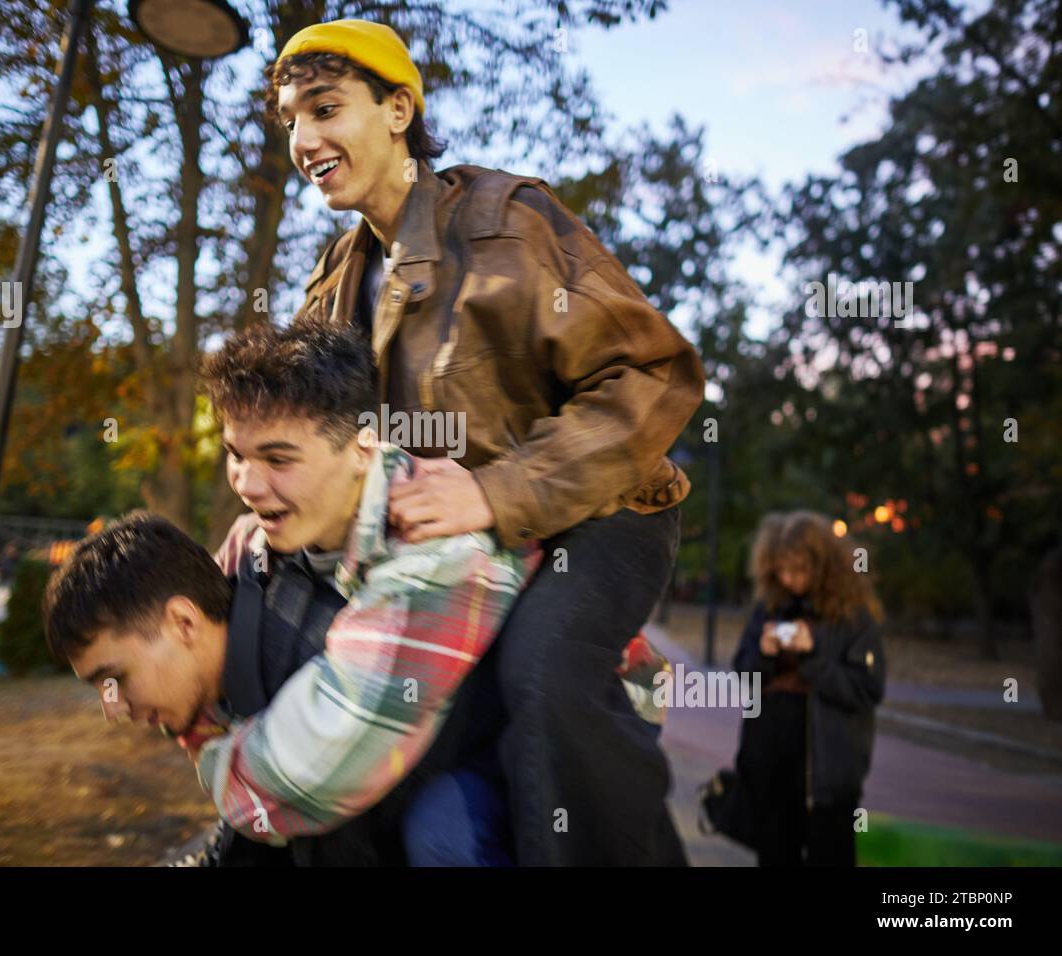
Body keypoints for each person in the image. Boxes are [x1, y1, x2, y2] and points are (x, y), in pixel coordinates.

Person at [268, 18, 704, 863]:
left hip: (598, 517)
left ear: (399, 110)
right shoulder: (334, 279)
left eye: (324, 108)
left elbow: (654, 377)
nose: (304, 138)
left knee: (541, 677)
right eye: (290, 120)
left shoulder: (510, 220)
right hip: (444, 549)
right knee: (316, 679)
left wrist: (494, 492)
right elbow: (308, 432)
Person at [45, 321, 536, 864]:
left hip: (524, 771)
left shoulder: (439, 549)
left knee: (443, 833)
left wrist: (208, 746)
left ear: (361, 447)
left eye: (279, 460)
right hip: (404, 782)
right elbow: (182, 632)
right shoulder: (263, 535)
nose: (249, 486)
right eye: (237, 455)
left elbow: (311, 775)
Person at [732, 511, 886, 866]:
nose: (790, 579)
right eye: (782, 569)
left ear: (823, 566)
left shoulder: (853, 618)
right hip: (769, 769)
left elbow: (866, 689)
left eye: (799, 569)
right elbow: (743, 671)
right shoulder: (770, 607)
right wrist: (765, 654)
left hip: (826, 776)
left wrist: (812, 655)